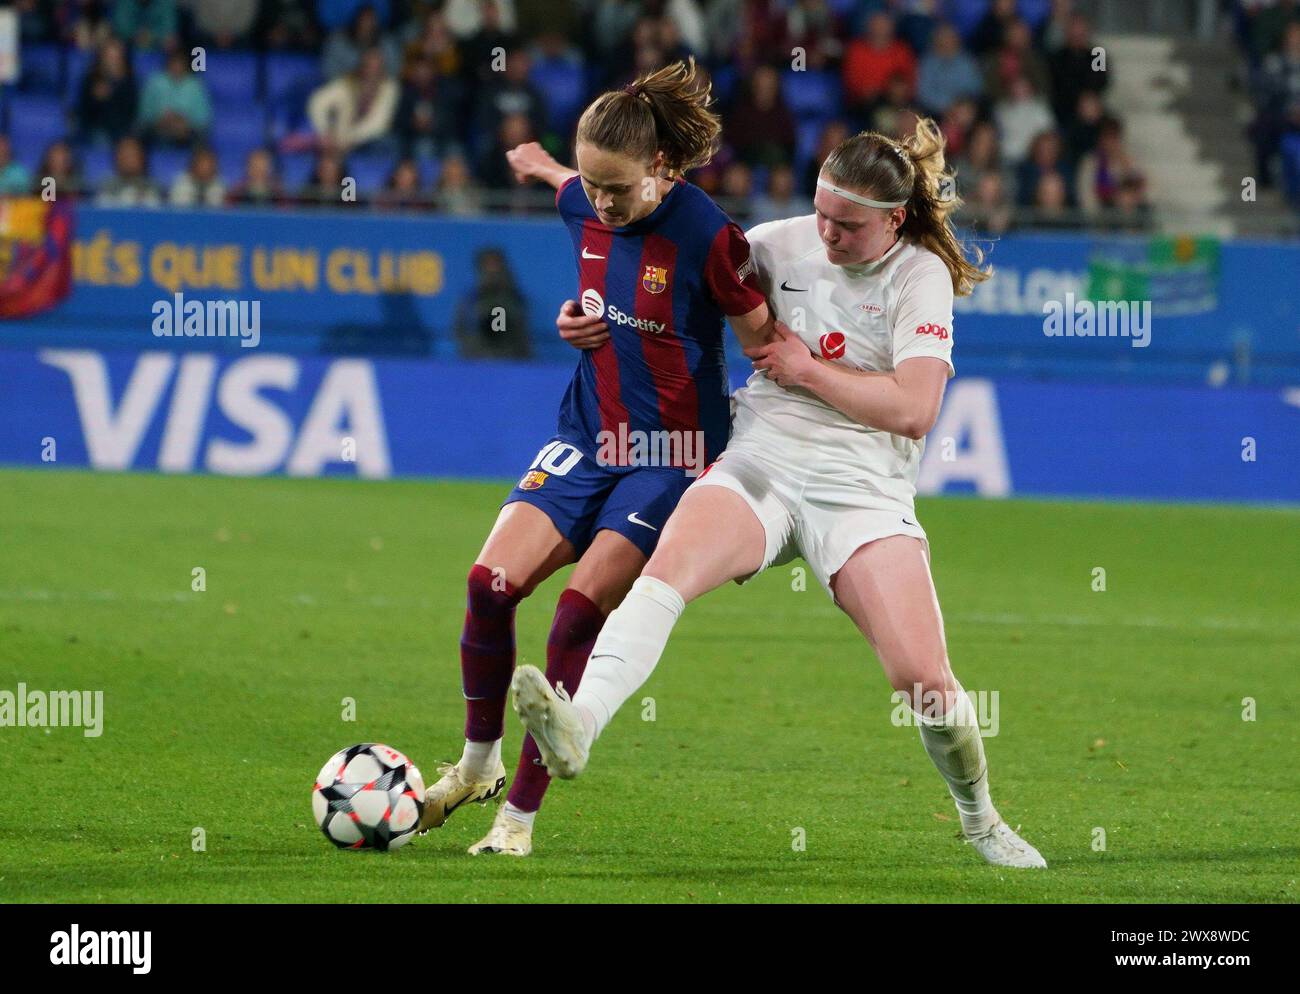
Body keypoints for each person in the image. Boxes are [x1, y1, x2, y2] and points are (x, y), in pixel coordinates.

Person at [513, 117, 1049, 870]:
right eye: (823, 213)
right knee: (666, 574)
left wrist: (808, 372)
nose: (827, 235)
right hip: (760, 458)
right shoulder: (775, 243)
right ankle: (578, 727)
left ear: (894, 221)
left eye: (850, 226)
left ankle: (981, 819)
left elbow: (914, 408)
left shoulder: (919, 275)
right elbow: (659, 285)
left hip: (862, 487)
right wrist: (587, 317)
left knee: (923, 681)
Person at [419, 58, 773, 857]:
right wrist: (541, 169)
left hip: (670, 454)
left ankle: (518, 820)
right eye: (591, 185)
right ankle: (478, 765)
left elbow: (764, 344)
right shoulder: (584, 196)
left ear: (662, 168)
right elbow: (560, 184)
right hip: (587, 433)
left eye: (617, 189)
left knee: (579, 613)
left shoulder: (708, 235)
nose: (602, 204)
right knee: (488, 586)